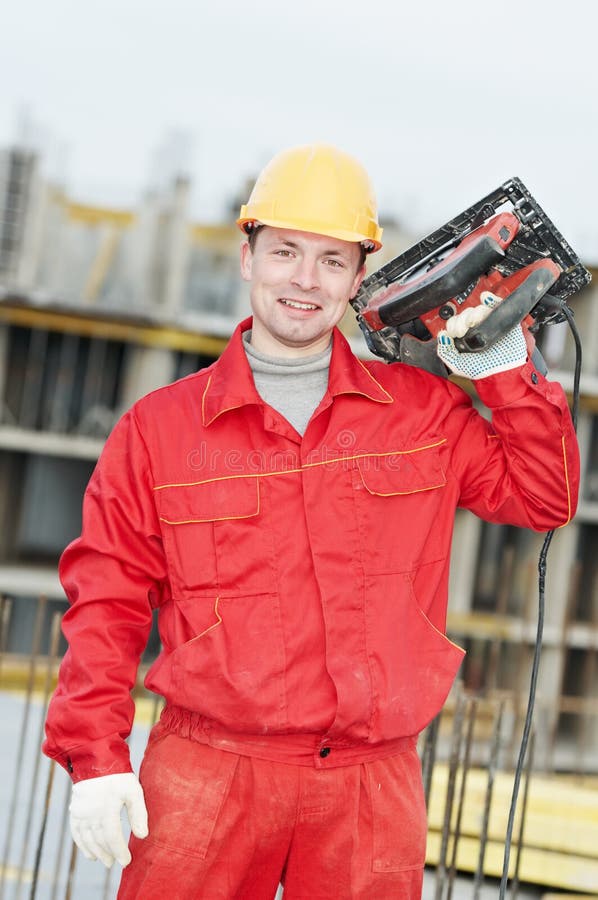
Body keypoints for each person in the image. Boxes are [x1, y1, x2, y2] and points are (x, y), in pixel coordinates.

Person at [43, 143, 579, 899]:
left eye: (332, 261)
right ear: (247, 257)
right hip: (209, 775)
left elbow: (544, 496)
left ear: (358, 280)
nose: (305, 279)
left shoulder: (423, 413)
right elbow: (107, 601)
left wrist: (505, 373)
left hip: (368, 786)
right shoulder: (159, 430)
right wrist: (96, 758)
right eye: (285, 252)